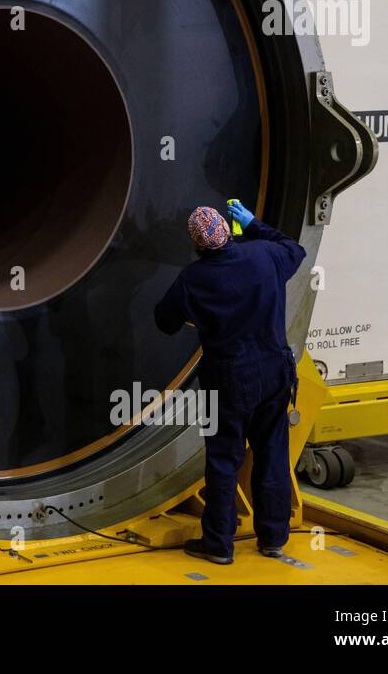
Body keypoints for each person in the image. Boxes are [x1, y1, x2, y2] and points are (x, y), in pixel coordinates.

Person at [154, 202, 306, 565]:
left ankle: (219, 544)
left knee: (224, 460)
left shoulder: (193, 279)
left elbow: (164, 320)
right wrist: (254, 225)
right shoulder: (265, 254)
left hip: (228, 379)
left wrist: (200, 317)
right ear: (228, 228)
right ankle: (273, 538)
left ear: (196, 244)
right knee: (272, 454)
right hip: (274, 370)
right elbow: (296, 250)